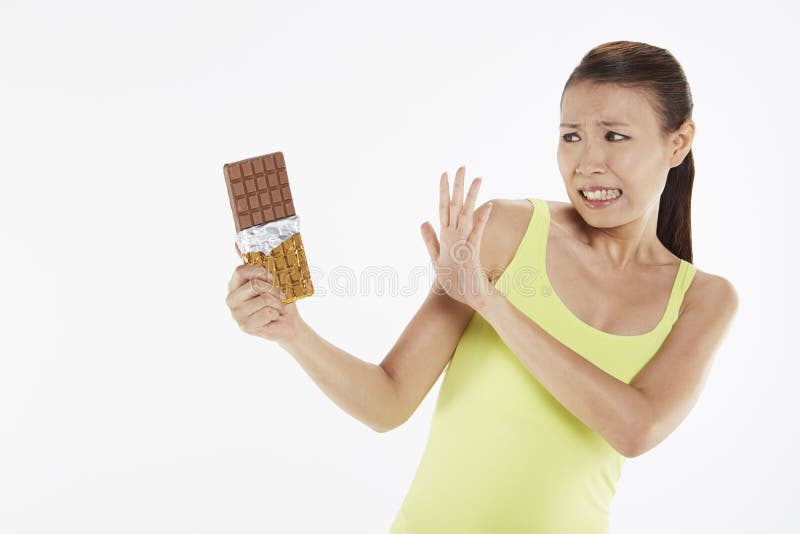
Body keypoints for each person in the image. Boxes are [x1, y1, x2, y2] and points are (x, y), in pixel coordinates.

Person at [224, 40, 739, 533]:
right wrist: (292, 332)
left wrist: (491, 303)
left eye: (615, 136)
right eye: (571, 135)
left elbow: (636, 429)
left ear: (679, 142)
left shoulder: (702, 299)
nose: (587, 163)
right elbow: (389, 402)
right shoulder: (502, 232)